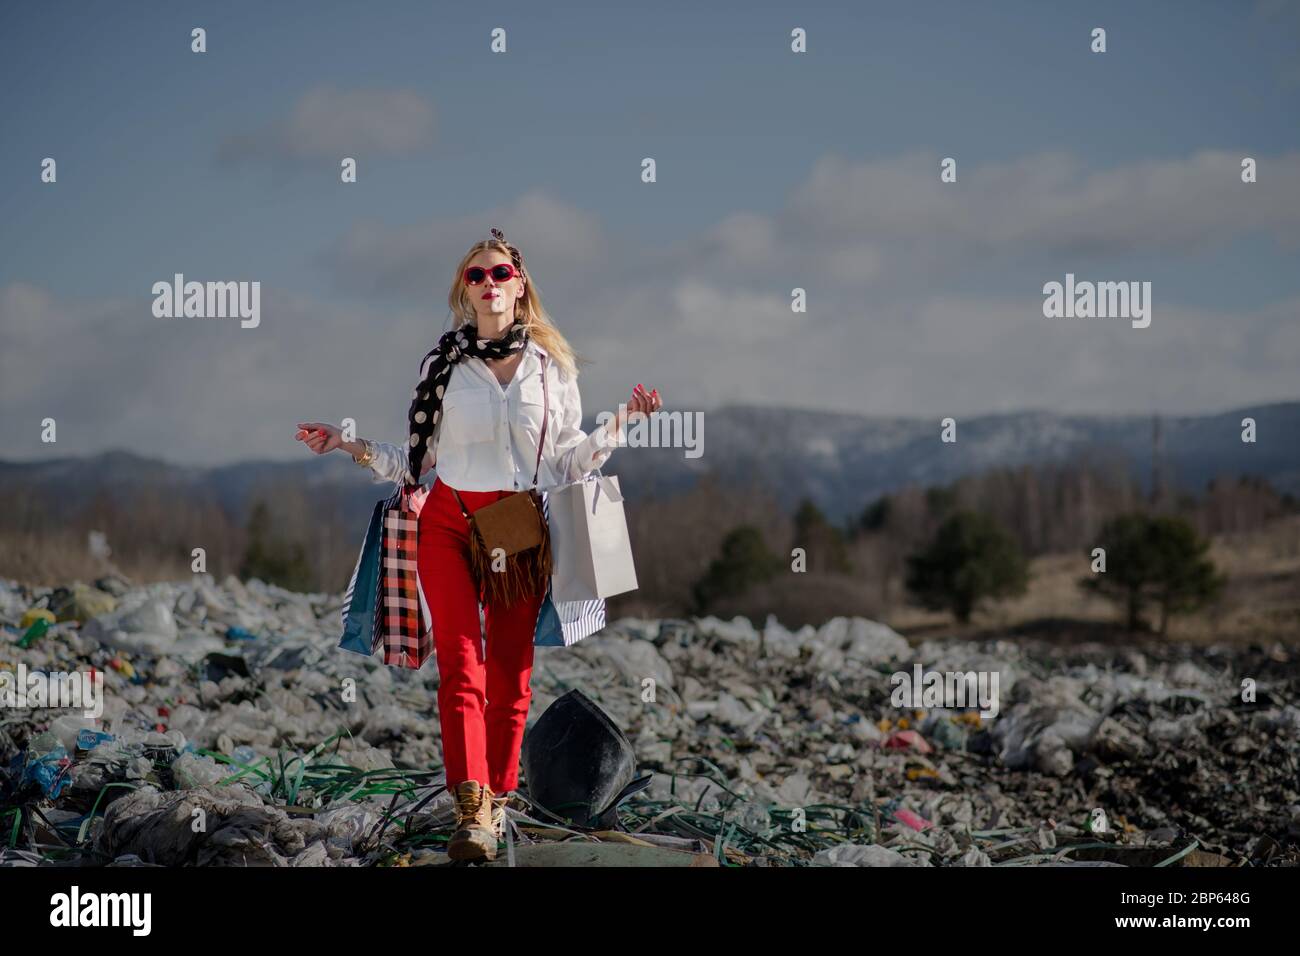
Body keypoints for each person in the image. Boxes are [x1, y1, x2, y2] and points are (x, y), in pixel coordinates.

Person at [294, 228, 661, 862]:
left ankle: (501, 796)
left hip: (517, 528)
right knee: (461, 666)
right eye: (475, 277)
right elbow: (414, 460)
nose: (488, 285)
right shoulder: (444, 365)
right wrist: (345, 443)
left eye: (499, 275)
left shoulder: (554, 370)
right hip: (445, 521)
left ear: (521, 287)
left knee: (511, 673)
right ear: (465, 293)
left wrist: (624, 421)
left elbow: (571, 462)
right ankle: (472, 808)